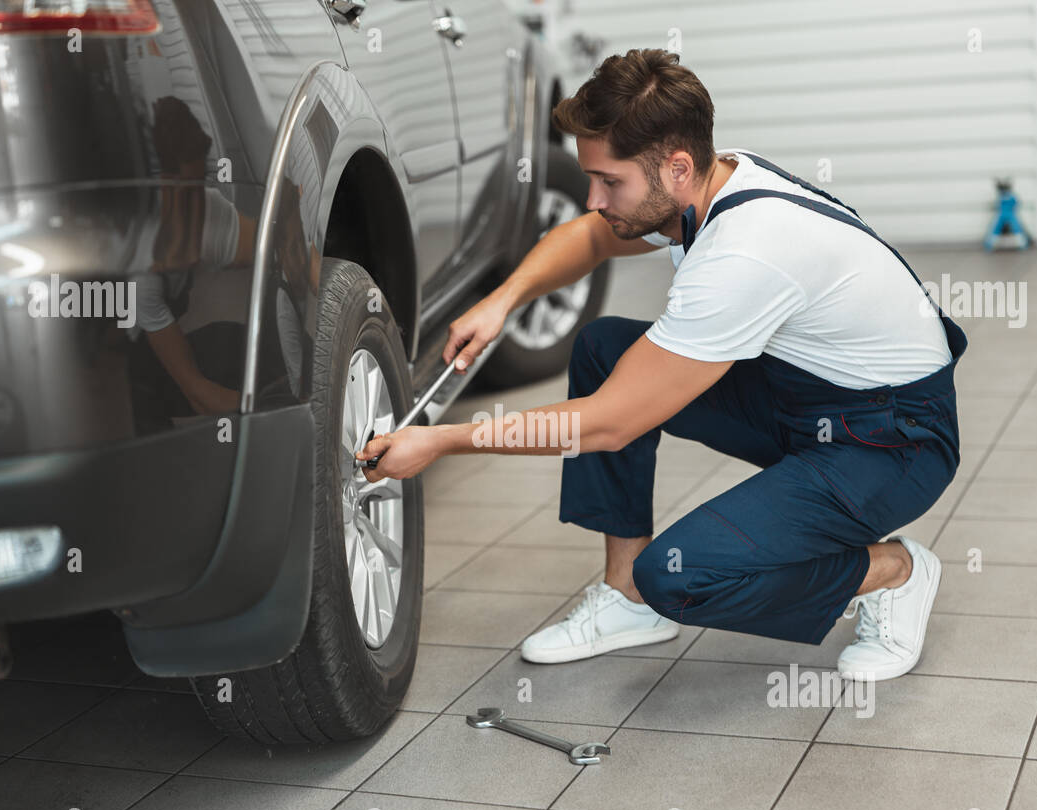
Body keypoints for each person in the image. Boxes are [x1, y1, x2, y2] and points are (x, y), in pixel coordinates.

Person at [355, 49, 966, 680]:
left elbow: (608, 424)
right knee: (603, 350)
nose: (593, 199)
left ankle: (895, 572)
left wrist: (442, 441)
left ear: (675, 166)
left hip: (892, 443)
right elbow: (592, 238)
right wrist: (502, 302)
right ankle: (626, 601)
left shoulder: (745, 253)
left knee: (679, 576)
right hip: (811, 399)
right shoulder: (709, 180)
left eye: (609, 182)